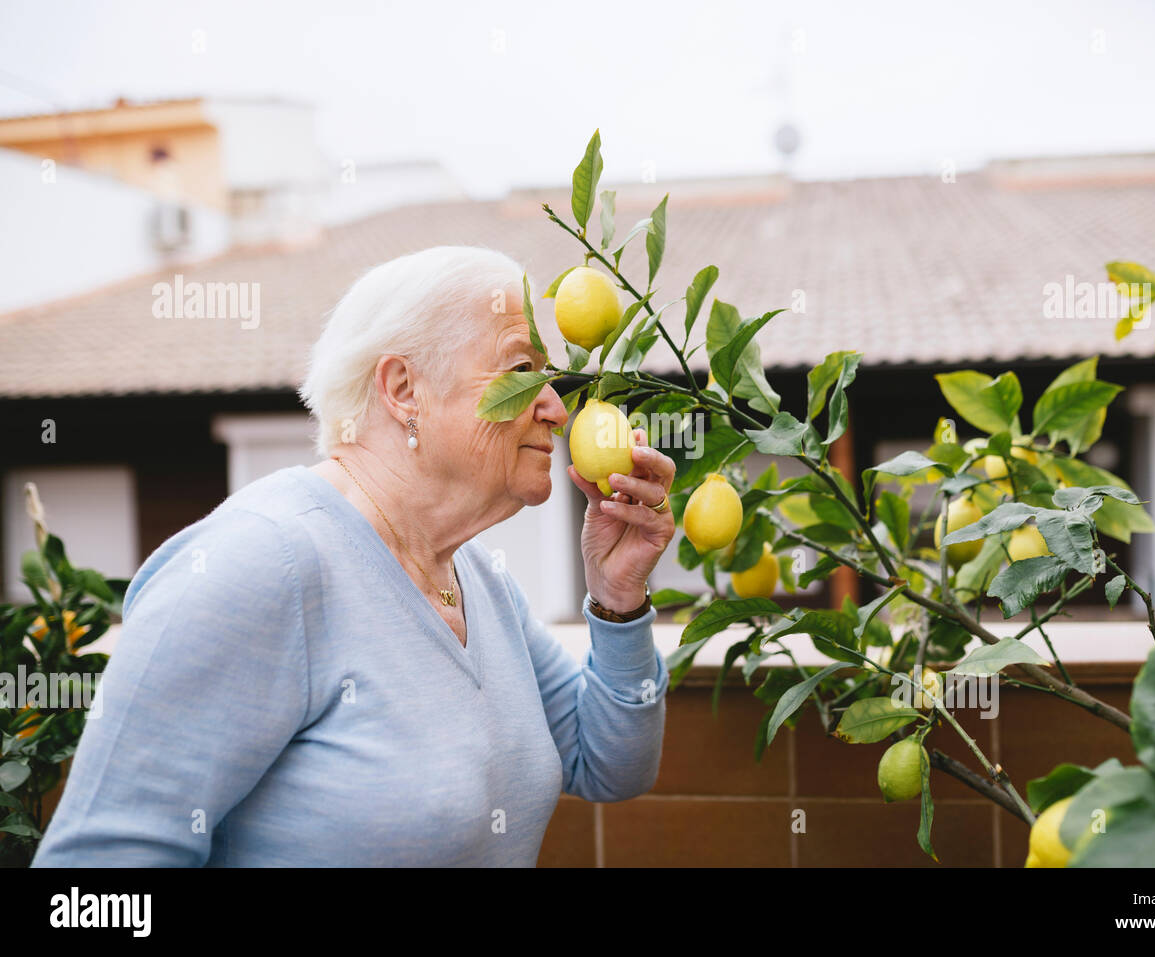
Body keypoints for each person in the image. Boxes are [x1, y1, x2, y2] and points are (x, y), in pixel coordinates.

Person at [33, 245, 675, 866]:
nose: (557, 409)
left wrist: (618, 600)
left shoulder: (477, 579)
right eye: (520, 371)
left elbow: (608, 764)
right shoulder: (259, 563)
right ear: (403, 388)